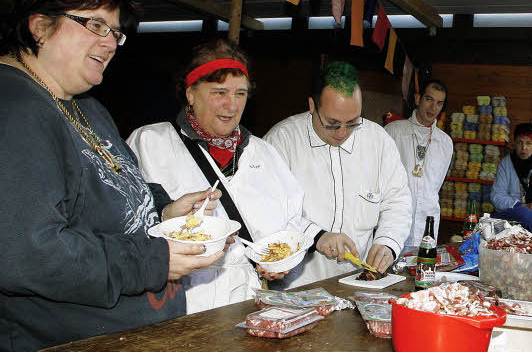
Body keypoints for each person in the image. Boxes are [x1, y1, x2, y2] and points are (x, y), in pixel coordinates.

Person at [0, 0, 223, 350]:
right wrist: (152, 262)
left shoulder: (85, 104)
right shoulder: (13, 108)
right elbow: (28, 255)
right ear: (40, 26)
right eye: (95, 25)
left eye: (115, 32)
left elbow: (113, 185)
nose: (110, 42)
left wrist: (164, 210)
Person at [127, 39, 310, 313]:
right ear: (191, 93)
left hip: (250, 304)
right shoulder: (150, 142)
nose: (232, 105)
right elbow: (124, 222)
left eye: (240, 93)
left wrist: (279, 262)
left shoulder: (264, 153)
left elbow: (293, 222)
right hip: (181, 306)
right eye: (219, 92)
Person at [264, 61, 412, 288]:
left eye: (352, 123)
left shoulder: (378, 140)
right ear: (312, 105)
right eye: (332, 124)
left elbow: (398, 200)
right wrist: (316, 235)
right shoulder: (282, 141)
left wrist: (388, 242)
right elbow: (268, 211)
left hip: (359, 283)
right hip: (298, 285)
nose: (342, 133)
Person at [385, 79, 453, 252]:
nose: (433, 107)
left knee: (422, 265)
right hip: (394, 219)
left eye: (439, 103)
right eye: (429, 99)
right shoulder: (393, 131)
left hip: (427, 220)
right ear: (417, 99)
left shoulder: (445, 142)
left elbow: (436, 185)